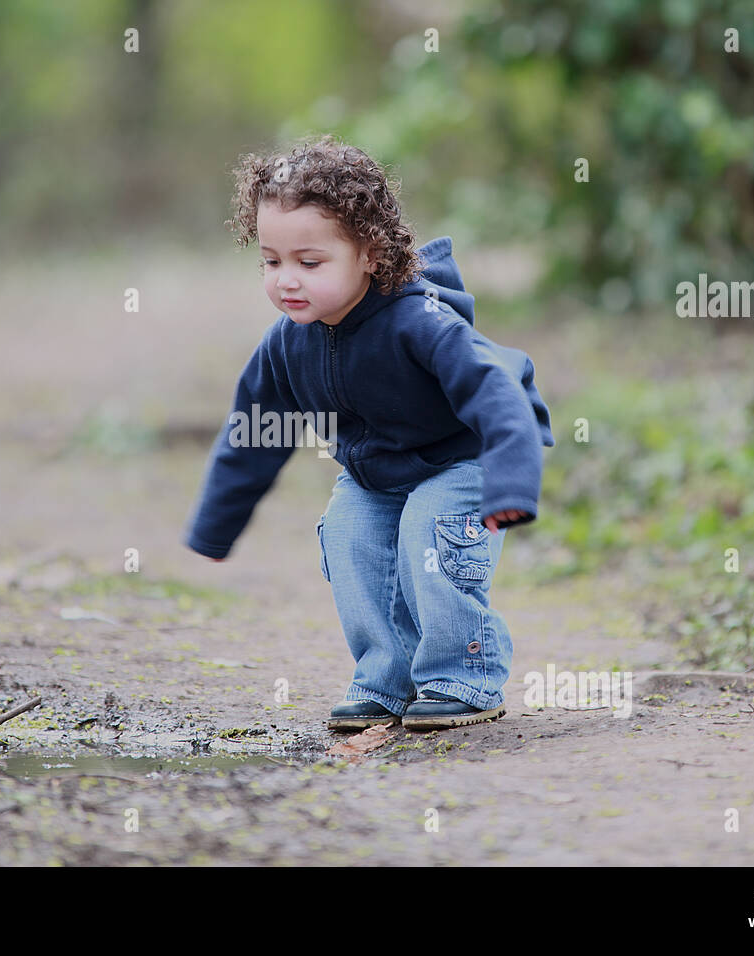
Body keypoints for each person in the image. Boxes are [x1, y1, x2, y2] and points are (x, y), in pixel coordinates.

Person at [183, 134, 554, 732]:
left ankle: (464, 675)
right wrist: (216, 524)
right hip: (374, 472)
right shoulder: (286, 343)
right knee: (350, 538)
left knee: (428, 535)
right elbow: (254, 431)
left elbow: (496, 391)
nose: (287, 280)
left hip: (463, 461)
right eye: (271, 261)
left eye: (310, 262)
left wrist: (510, 480)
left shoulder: (420, 321)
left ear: (371, 255)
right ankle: (387, 678)